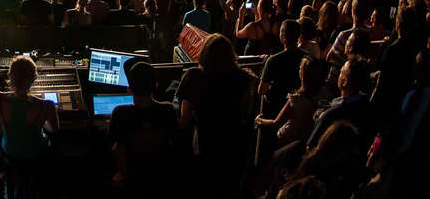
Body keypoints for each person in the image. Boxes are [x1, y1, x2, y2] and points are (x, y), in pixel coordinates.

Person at [176, 34, 257, 198]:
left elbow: (184, 120)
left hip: (206, 146)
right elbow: (247, 113)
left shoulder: (194, 76)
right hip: (235, 147)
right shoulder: (243, 78)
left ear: (204, 53)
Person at [0, 56, 59, 199]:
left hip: (10, 152)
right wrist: (41, 121)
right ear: (34, 78)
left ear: (10, 76)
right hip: (36, 155)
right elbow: (54, 129)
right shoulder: (47, 105)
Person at [109, 62, 176, 195]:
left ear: (129, 89)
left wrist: (124, 175)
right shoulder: (168, 110)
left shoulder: (119, 113)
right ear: (156, 85)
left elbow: (118, 149)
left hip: (132, 180)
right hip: (162, 178)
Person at [256, 56, 321, 146]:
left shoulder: (296, 99)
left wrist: (260, 121)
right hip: (304, 139)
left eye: (300, 69)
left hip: (287, 139)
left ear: (302, 74)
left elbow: (276, 122)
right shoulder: (319, 97)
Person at [259, 20, 308, 117]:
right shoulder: (307, 57)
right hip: (298, 107)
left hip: (275, 107)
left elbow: (262, 90)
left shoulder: (273, 60)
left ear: (283, 37)